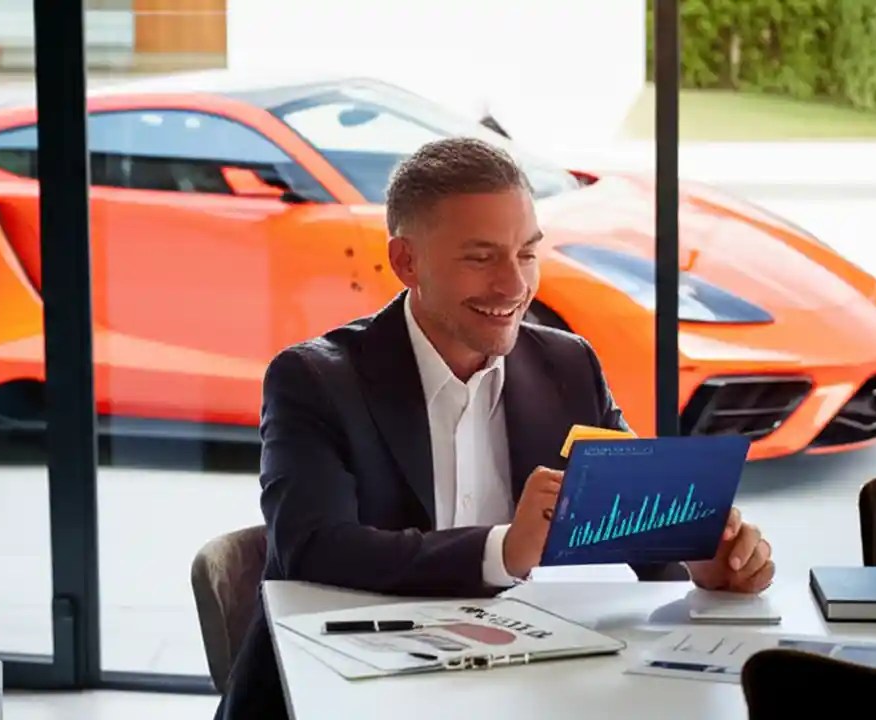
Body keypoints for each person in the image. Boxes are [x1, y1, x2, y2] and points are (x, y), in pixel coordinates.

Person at [215, 137, 775, 719]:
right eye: (481, 258)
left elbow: (636, 531)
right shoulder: (314, 380)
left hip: (516, 691)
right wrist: (502, 550)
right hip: (340, 696)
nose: (514, 286)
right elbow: (311, 548)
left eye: (527, 254)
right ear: (407, 262)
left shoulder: (568, 368)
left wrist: (699, 562)